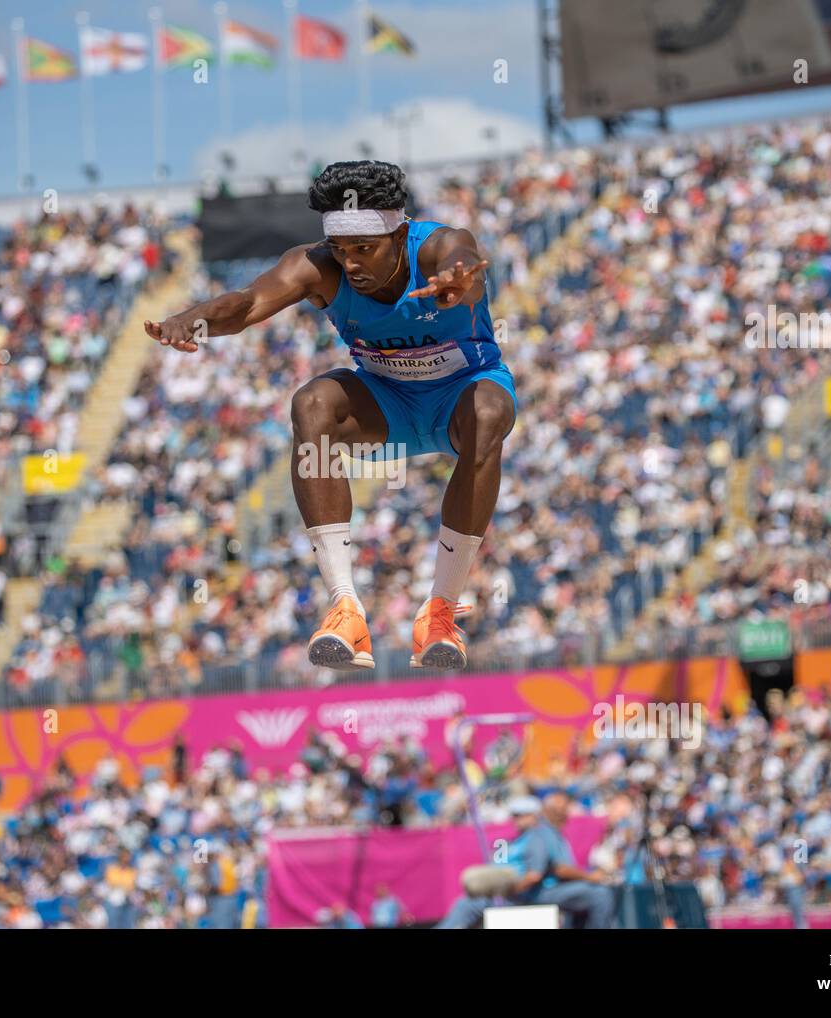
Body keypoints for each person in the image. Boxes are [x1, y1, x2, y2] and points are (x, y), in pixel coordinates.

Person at [146, 160, 517, 673]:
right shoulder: (316, 266)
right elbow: (249, 303)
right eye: (342, 253)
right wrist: (196, 318)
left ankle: (439, 611)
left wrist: (459, 283)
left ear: (400, 232)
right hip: (387, 404)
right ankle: (345, 609)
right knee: (312, 402)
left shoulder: (436, 247)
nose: (353, 266)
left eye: (365, 249)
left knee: (490, 408)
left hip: (461, 397)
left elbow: (463, 263)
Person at [436, 793, 614, 929]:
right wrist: (504, 890)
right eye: (514, 815)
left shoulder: (537, 834)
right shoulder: (523, 839)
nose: (516, 819)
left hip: (528, 892)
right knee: (599, 894)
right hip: (524, 894)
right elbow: (533, 875)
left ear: (534, 815)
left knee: (597, 894)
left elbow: (536, 875)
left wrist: (507, 890)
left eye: (521, 815)